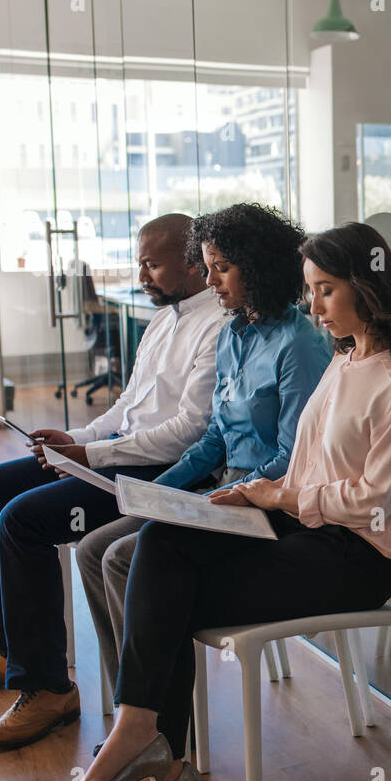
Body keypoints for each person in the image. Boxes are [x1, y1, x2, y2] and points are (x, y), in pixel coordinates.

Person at [47, 222, 391, 781]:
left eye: (327, 290)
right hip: (301, 527)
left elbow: (374, 501)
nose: (314, 305)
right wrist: (258, 498)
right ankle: (144, 739)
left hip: (354, 559)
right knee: (161, 541)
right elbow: (306, 460)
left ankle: (152, 770)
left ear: (369, 286)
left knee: (163, 595)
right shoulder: (344, 358)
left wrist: (279, 496)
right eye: (310, 289)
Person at [0, 214, 229, 750]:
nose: (141, 273)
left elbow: (188, 433)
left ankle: (48, 689)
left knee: (22, 520)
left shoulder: (217, 325)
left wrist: (89, 453)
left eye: (152, 263)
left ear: (193, 262)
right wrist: (72, 438)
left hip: (160, 472)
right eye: (140, 260)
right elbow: (126, 405)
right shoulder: (163, 319)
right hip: (115, 452)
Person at [76, 204, 332, 698]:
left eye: (222, 267)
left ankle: (158, 723)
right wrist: (154, 491)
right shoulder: (234, 332)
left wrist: (221, 496)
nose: (210, 280)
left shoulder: (298, 345)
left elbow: (291, 456)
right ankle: (127, 705)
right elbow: (214, 437)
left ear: (255, 266)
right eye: (208, 265)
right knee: (92, 551)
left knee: (122, 558)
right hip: (222, 489)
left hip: (266, 503)